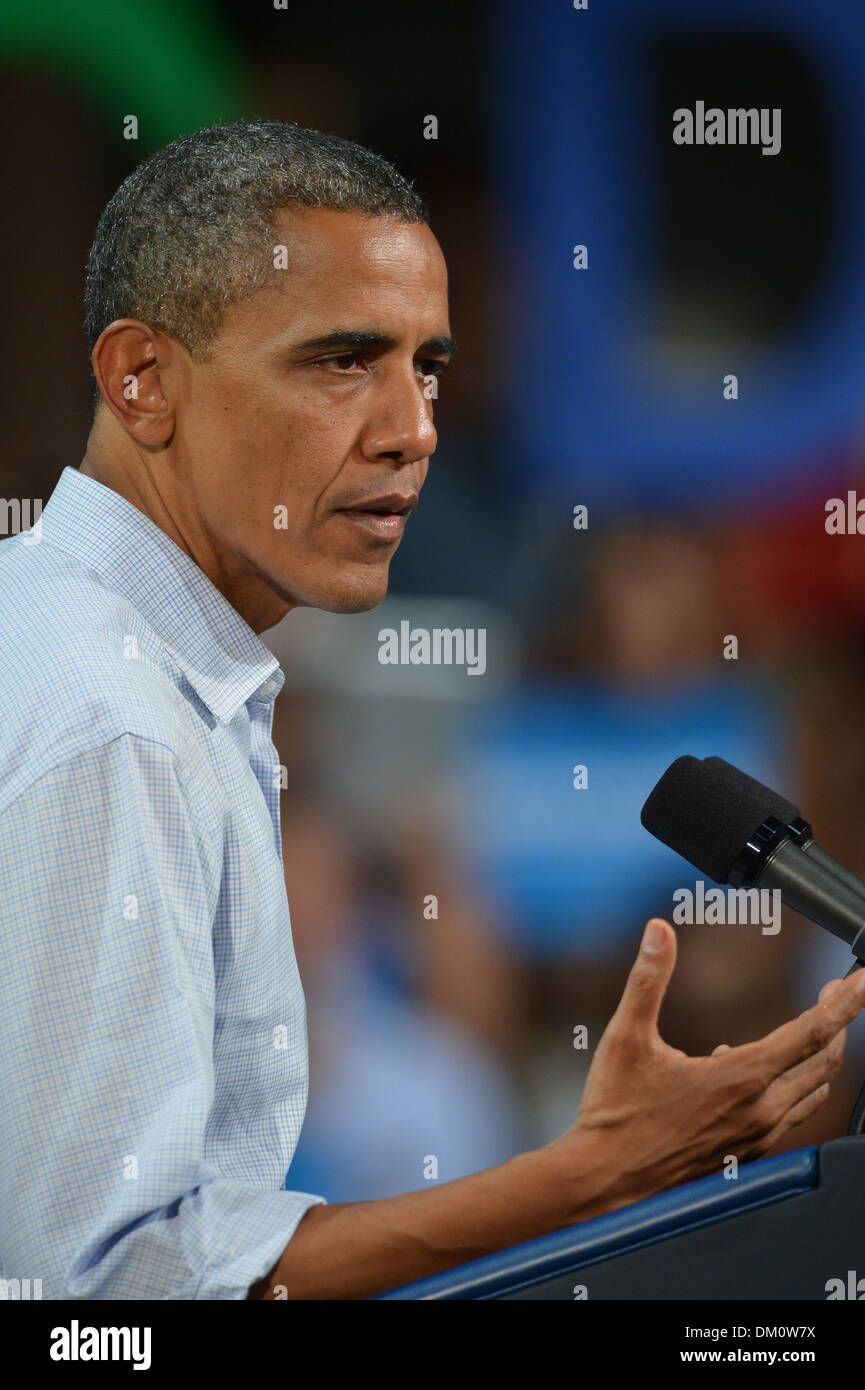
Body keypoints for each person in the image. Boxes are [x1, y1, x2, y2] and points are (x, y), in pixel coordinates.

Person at [0, 120, 862, 1302]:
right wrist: (592, 1173)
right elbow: (105, 1300)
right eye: (341, 360)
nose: (413, 430)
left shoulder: (85, 638)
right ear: (142, 378)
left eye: (427, 367)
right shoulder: (116, 718)